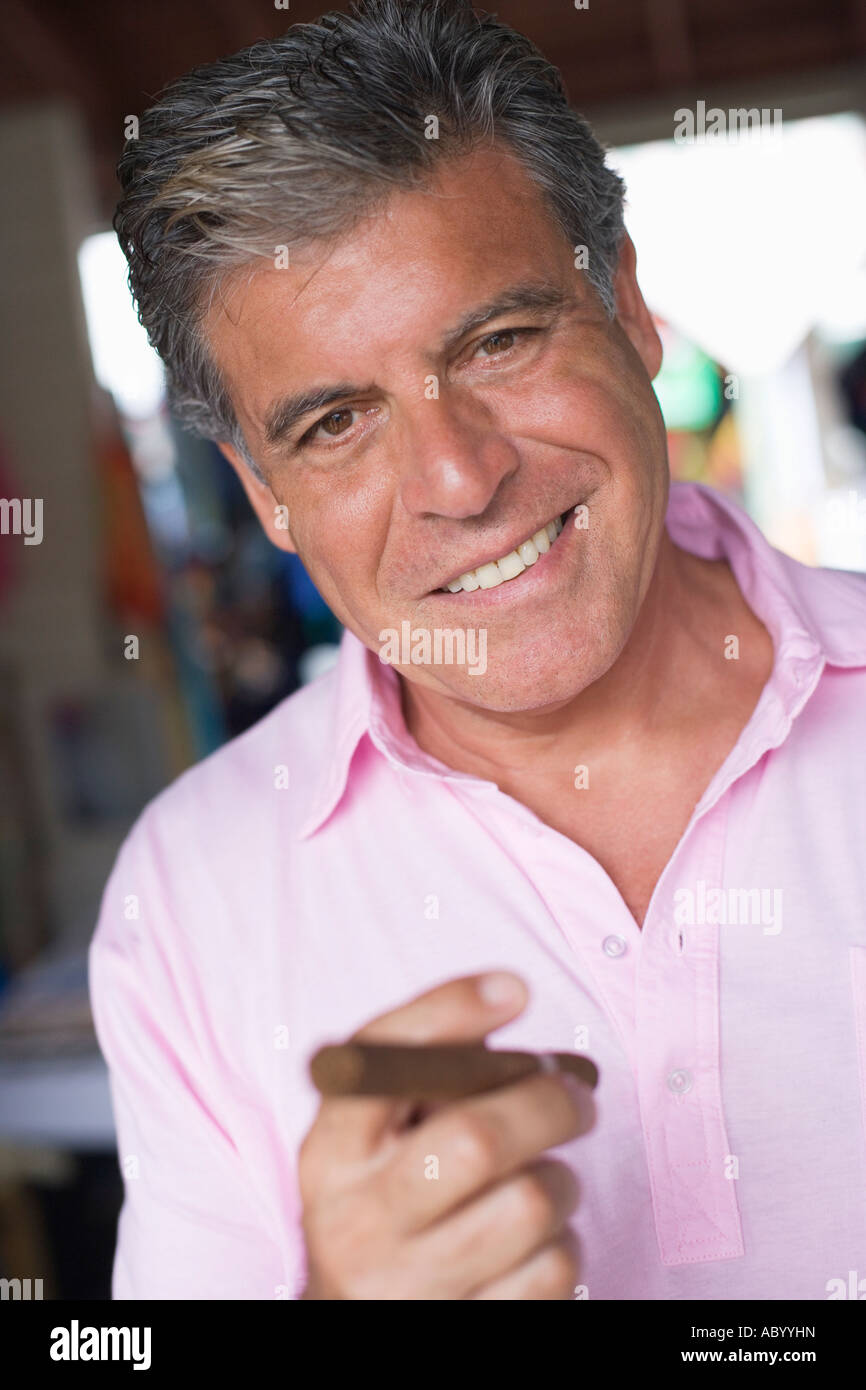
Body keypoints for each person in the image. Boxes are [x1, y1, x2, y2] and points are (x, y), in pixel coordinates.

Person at [90, 0, 866, 1300]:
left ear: (626, 306)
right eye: (336, 422)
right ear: (262, 490)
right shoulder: (187, 895)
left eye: (498, 342)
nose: (458, 477)